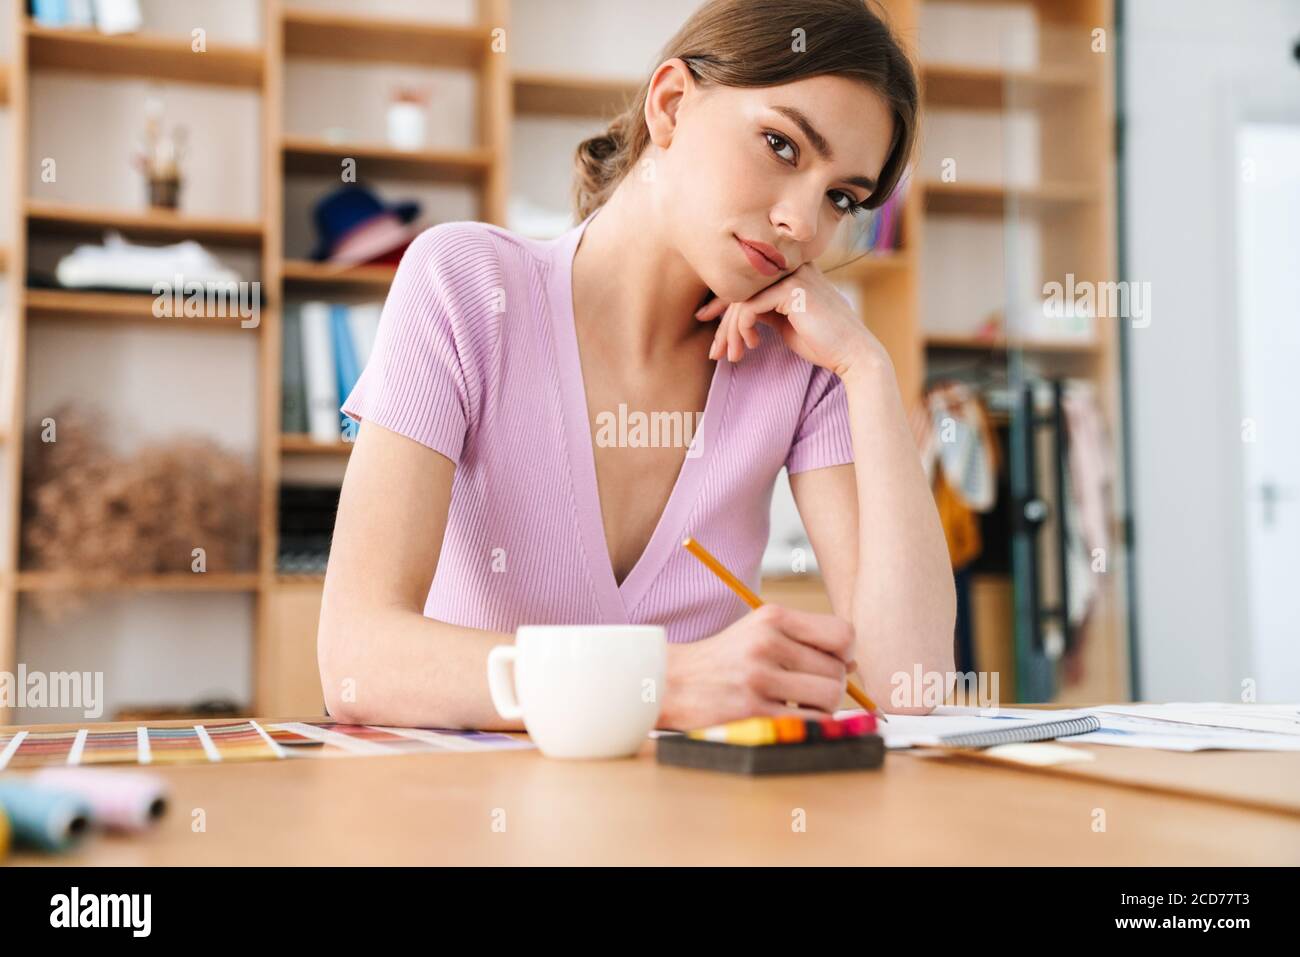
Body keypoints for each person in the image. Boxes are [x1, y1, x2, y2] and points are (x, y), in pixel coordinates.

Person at [318, 0, 955, 731]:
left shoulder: (804, 364)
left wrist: (867, 368)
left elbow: (909, 681)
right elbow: (355, 659)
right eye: (782, 146)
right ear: (672, 105)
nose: (803, 225)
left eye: (841, 197)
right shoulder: (464, 285)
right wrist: (661, 679)